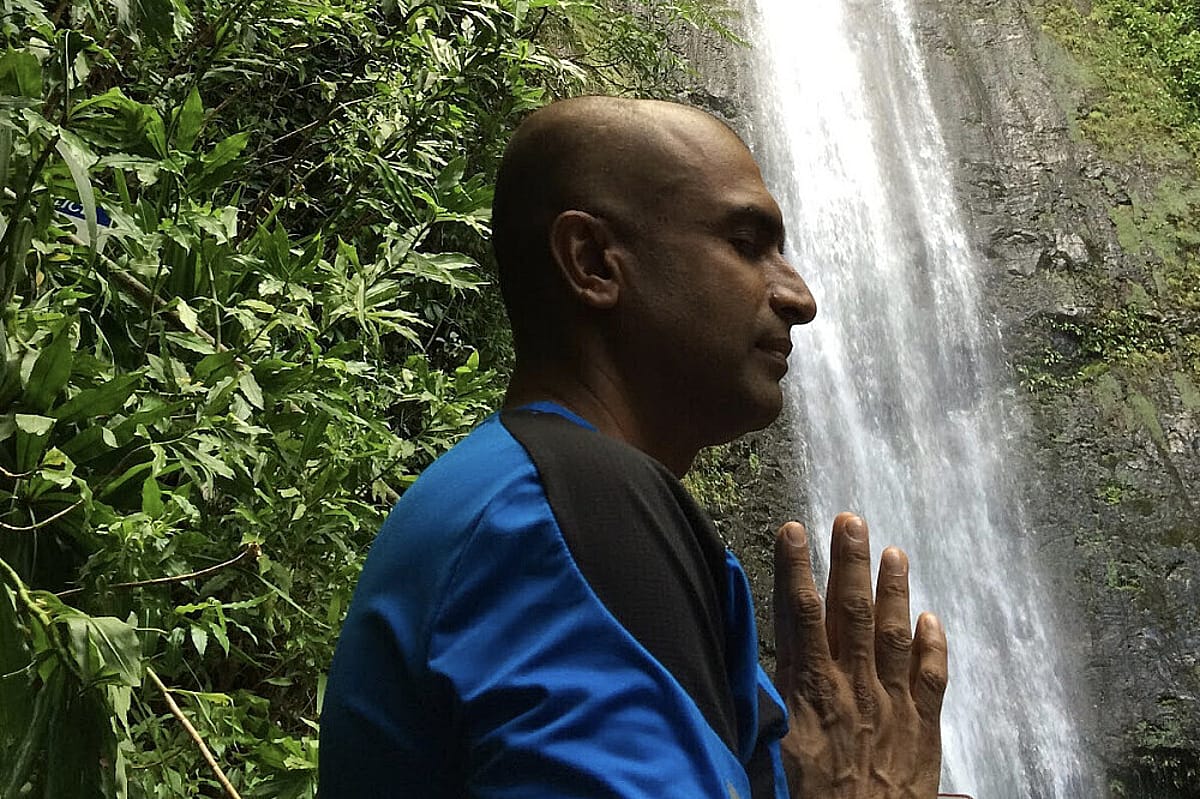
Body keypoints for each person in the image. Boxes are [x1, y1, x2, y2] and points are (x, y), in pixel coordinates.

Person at [319, 96, 948, 798]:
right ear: (592, 262)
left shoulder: (509, 496)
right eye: (746, 244)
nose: (800, 297)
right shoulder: (570, 512)